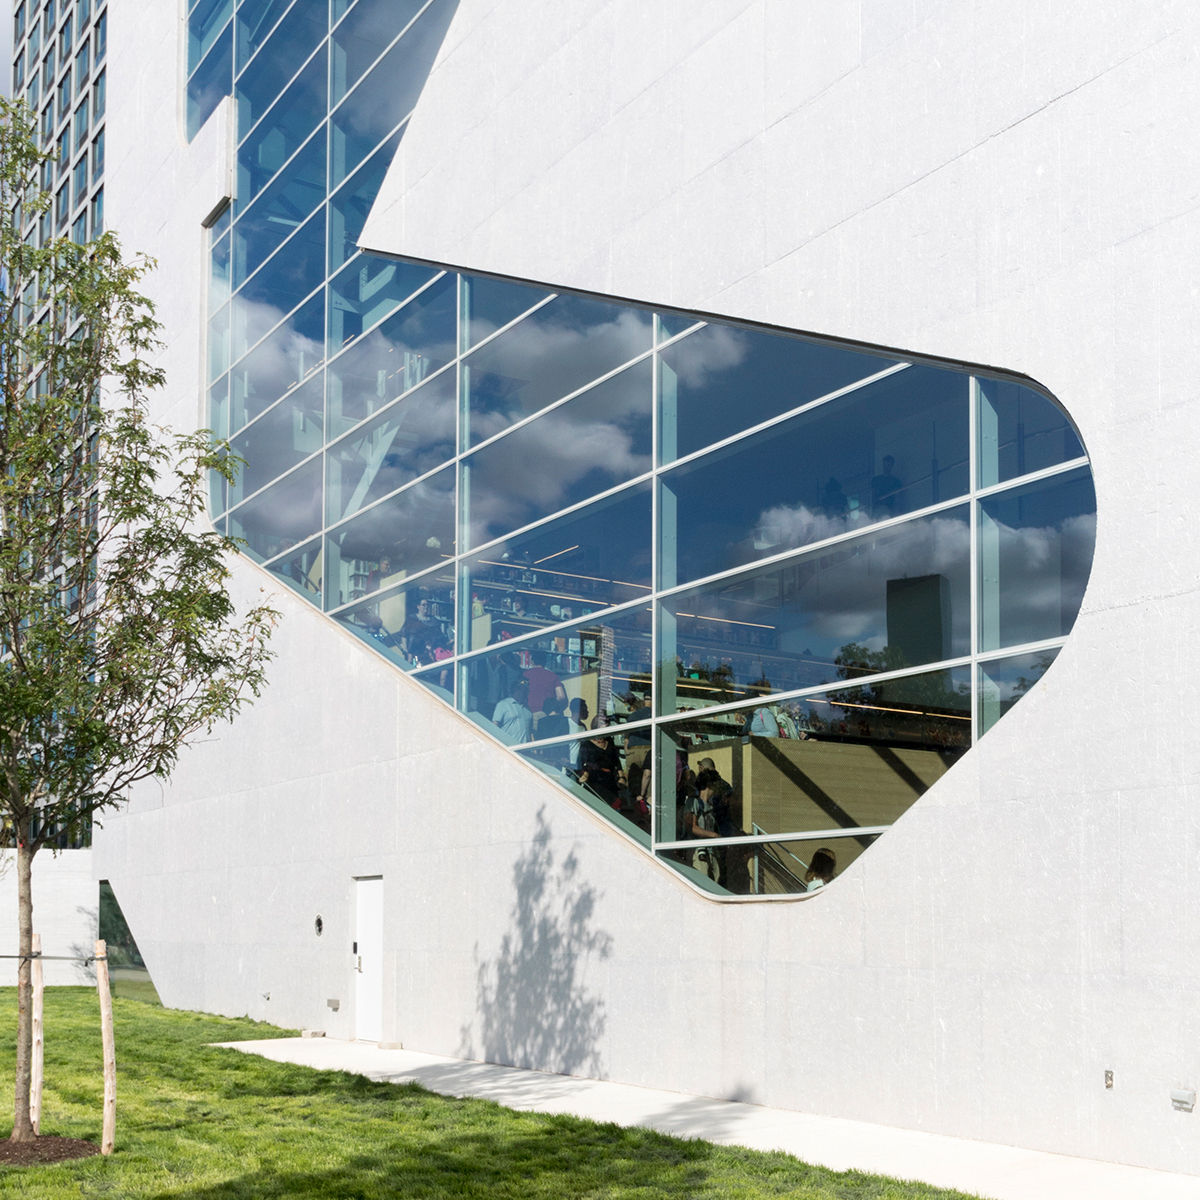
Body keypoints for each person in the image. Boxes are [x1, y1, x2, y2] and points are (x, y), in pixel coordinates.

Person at [399, 596, 447, 666]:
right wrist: (405, 648)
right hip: (413, 653)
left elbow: (439, 638)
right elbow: (404, 634)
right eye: (423, 605)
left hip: (428, 654)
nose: (426, 607)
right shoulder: (412, 619)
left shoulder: (434, 621)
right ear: (418, 606)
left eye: (427, 605)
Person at [524, 650, 566, 715]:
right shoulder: (553, 676)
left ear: (532, 661)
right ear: (545, 661)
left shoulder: (525, 675)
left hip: (528, 712)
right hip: (547, 713)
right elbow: (561, 697)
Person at [491, 679, 533, 744]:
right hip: (508, 747)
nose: (522, 692)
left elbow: (530, 731)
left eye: (525, 690)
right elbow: (494, 726)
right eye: (519, 689)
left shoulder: (528, 709)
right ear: (514, 690)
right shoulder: (503, 704)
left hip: (525, 748)